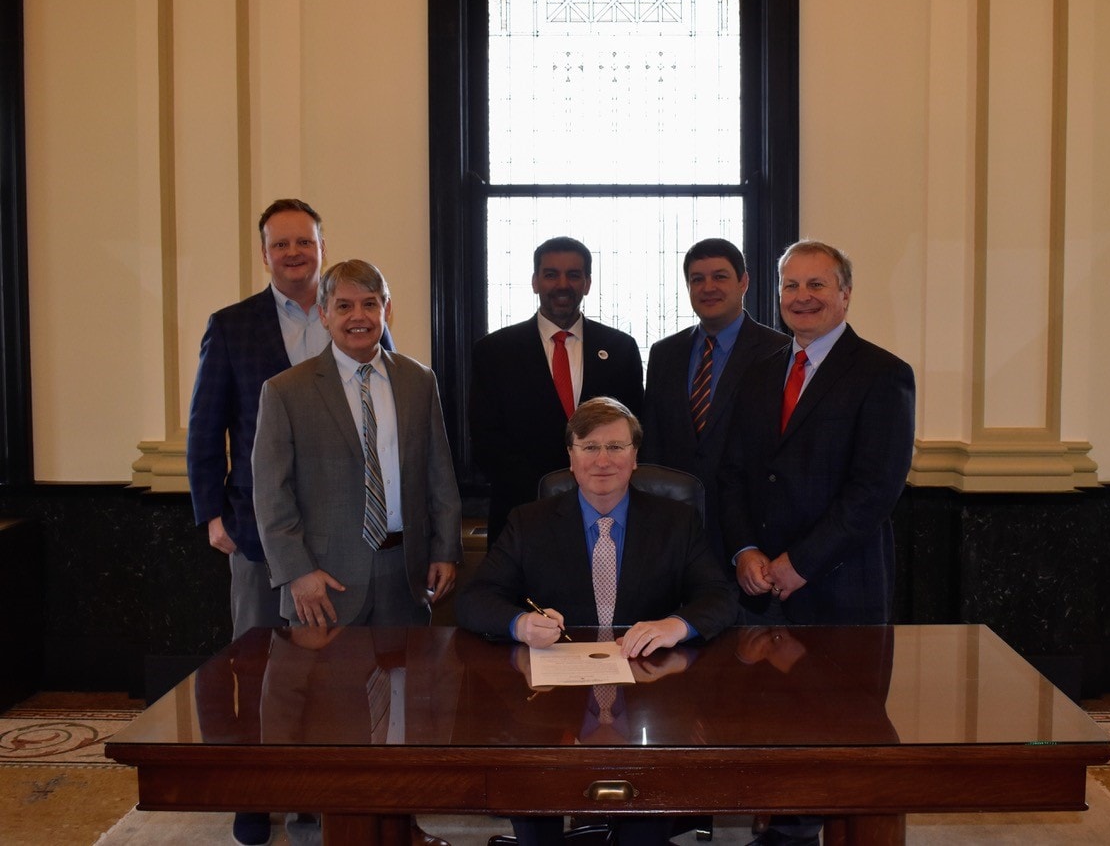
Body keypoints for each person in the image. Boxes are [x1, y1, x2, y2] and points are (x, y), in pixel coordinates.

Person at [186, 198, 391, 846]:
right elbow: (205, 426)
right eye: (282, 245)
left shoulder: (360, 322)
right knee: (257, 668)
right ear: (265, 253)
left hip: (339, 537)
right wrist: (212, 514)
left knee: (324, 673)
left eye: (305, 241)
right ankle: (254, 796)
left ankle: (311, 794)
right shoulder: (233, 325)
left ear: (323, 247)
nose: (295, 253)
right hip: (254, 531)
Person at [456, 396, 737, 846]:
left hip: (650, 695)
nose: (602, 460)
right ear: (570, 456)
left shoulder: (676, 521)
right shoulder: (530, 522)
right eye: (589, 447)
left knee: (644, 823)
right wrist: (520, 624)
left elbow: (720, 596)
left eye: (616, 447)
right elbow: (474, 599)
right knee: (532, 788)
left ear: (635, 456)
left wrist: (676, 625)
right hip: (553, 697)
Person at [719, 239, 914, 846]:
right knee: (768, 720)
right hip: (757, 589)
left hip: (838, 589)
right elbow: (732, 472)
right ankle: (780, 825)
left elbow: (875, 489)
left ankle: (810, 831)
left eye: (816, 285)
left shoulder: (883, 373)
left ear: (845, 294)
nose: (801, 298)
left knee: (836, 730)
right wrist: (745, 550)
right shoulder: (758, 371)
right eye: (790, 286)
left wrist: (799, 563)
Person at [253, 259, 461, 629]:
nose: (358, 316)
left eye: (370, 303)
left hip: (406, 575)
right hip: (324, 581)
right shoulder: (286, 391)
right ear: (323, 314)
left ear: (387, 309)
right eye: (344, 306)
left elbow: (439, 474)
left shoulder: (419, 381)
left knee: (405, 685)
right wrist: (298, 573)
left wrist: (445, 551)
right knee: (327, 688)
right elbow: (272, 495)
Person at [470, 236, 644, 547]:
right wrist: (553, 490)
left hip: (607, 516)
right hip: (523, 516)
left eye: (573, 275)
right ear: (535, 282)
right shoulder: (494, 352)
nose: (562, 284)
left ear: (587, 283)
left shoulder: (620, 349)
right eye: (551, 274)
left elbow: (635, 436)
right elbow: (486, 441)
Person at [639, 238, 788, 562]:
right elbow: (652, 441)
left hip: (749, 534)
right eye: (697, 279)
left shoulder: (778, 351)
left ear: (743, 281)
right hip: (674, 528)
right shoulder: (665, 353)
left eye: (720, 276)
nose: (708, 287)